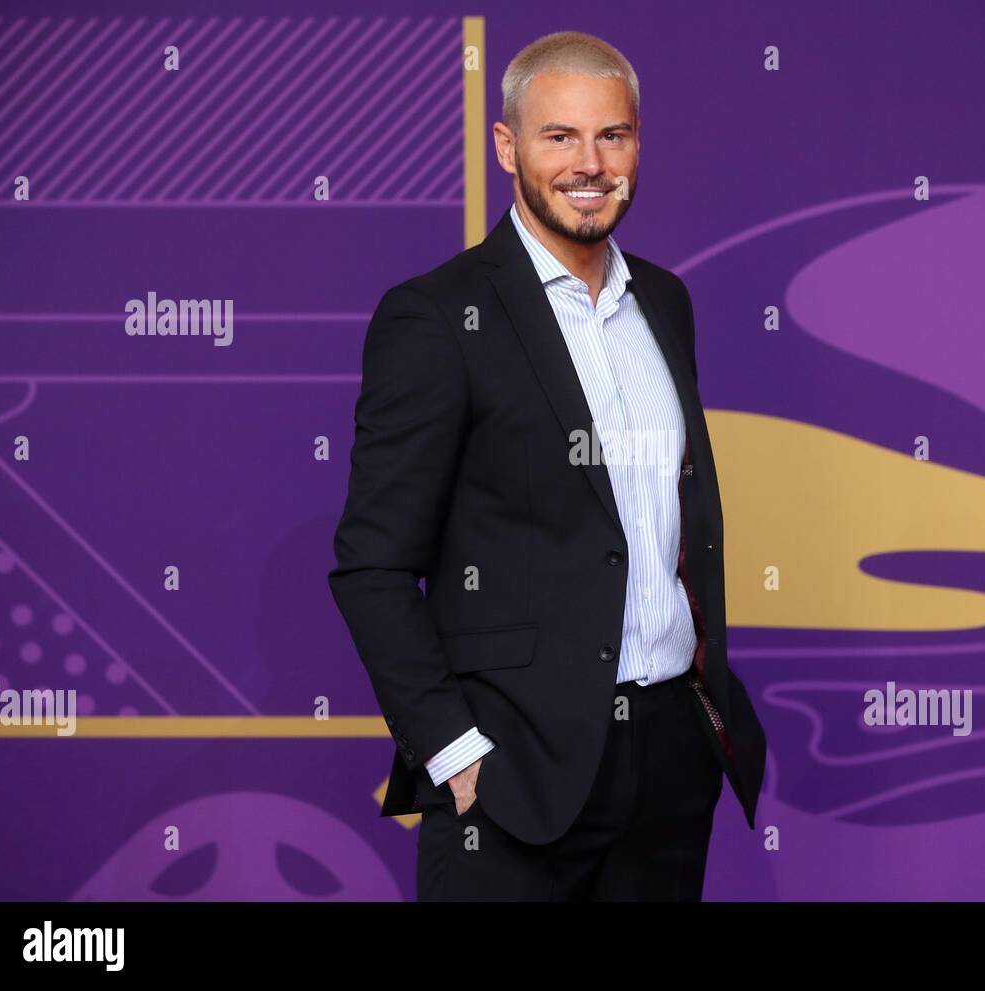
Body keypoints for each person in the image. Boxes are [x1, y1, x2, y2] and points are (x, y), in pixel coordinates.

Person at [328, 29, 765, 901]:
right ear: (507, 147)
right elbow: (373, 565)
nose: (589, 163)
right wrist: (456, 753)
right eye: (559, 136)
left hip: (672, 763)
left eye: (613, 135)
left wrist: (701, 725)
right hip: (514, 778)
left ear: (638, 143)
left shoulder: (666, 303)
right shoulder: (439, 316)